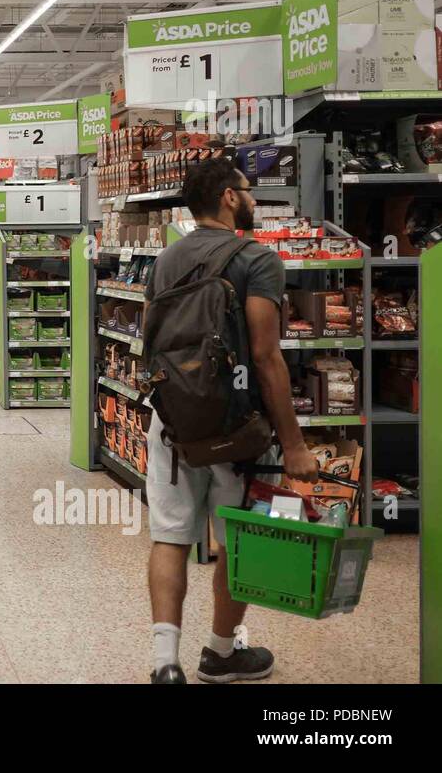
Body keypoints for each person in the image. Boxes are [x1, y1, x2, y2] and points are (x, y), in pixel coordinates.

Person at [144, 157, 319, 685]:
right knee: (237, 540)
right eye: (248, 190)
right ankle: (220, 654)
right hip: (238, 428)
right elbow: (266, 357)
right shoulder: (257, 259)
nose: (253, 199)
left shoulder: (166, 258)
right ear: (227, 196)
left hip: (174, 419)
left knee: (170, 537)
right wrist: (294, 444)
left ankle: (164, 663)